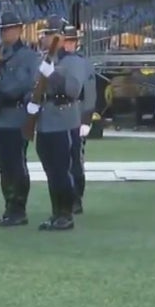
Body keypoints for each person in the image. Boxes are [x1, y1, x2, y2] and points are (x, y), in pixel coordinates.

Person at [0, 10, 40, 226]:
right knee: (4, 166)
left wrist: (4, 94)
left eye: (10, 29)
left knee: (16, 164)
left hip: (15, 115)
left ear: (19, 30)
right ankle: (9, 206)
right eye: (4, 30)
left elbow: (27, 84)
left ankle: (19, 209)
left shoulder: (28, 56)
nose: (7, 33)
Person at [32, 21, 85, 232]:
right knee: (51, 171)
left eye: (49, 33)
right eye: (44, 33)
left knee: (62, 170)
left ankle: (65, 214)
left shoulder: (71, 61)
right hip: (44, 121)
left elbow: (73, 90)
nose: (44, 37)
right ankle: (56, 212)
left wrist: (51, 74)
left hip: (63, 121)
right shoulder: (44, 59)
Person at [64, 24, 96, 213]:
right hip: (61, 117)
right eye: (66, 41)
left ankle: (76, 198)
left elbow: (89, 94)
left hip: (77, 116)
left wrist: (86, 119)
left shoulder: (83, 63)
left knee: (76, 159)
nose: (68, 45)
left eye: (71, 41)